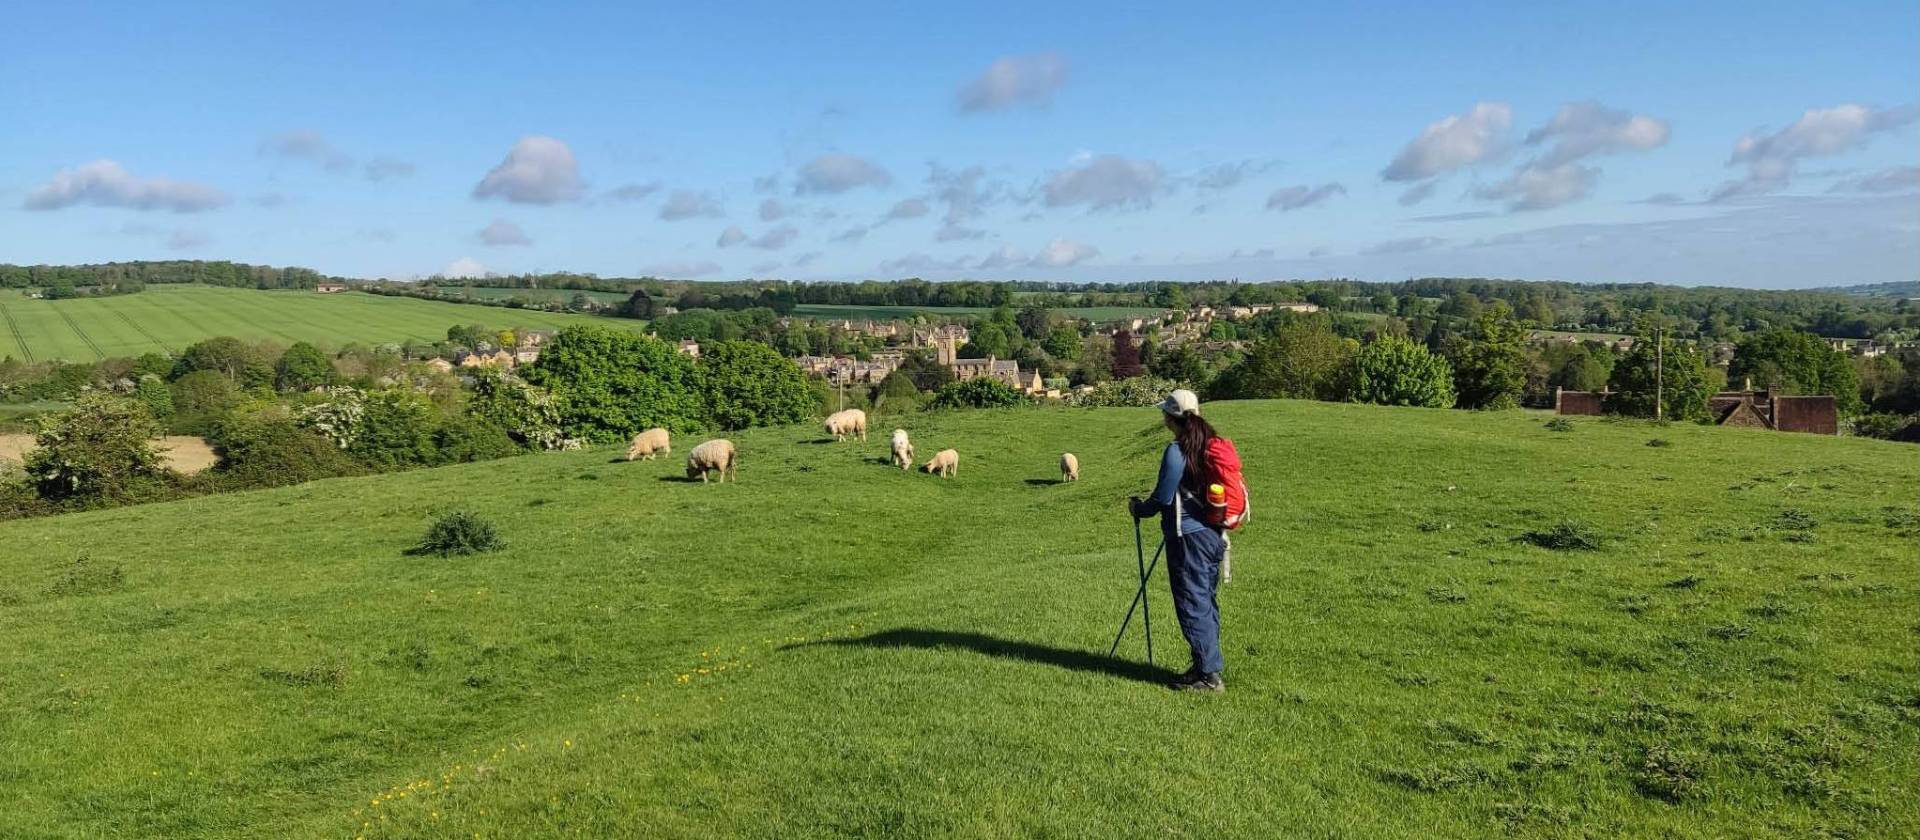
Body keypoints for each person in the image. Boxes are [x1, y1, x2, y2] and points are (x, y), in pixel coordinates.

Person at [1128, 388, 1229, 692]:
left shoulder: (1177, 450)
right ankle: (1204, 666)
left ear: (1170, 417)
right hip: (1212, 535)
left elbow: (1162, 496)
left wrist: (1139, 509)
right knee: (1205, 601)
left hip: (1188, 540)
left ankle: (1209, 677)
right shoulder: (1208, 444)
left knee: (1193, 603)